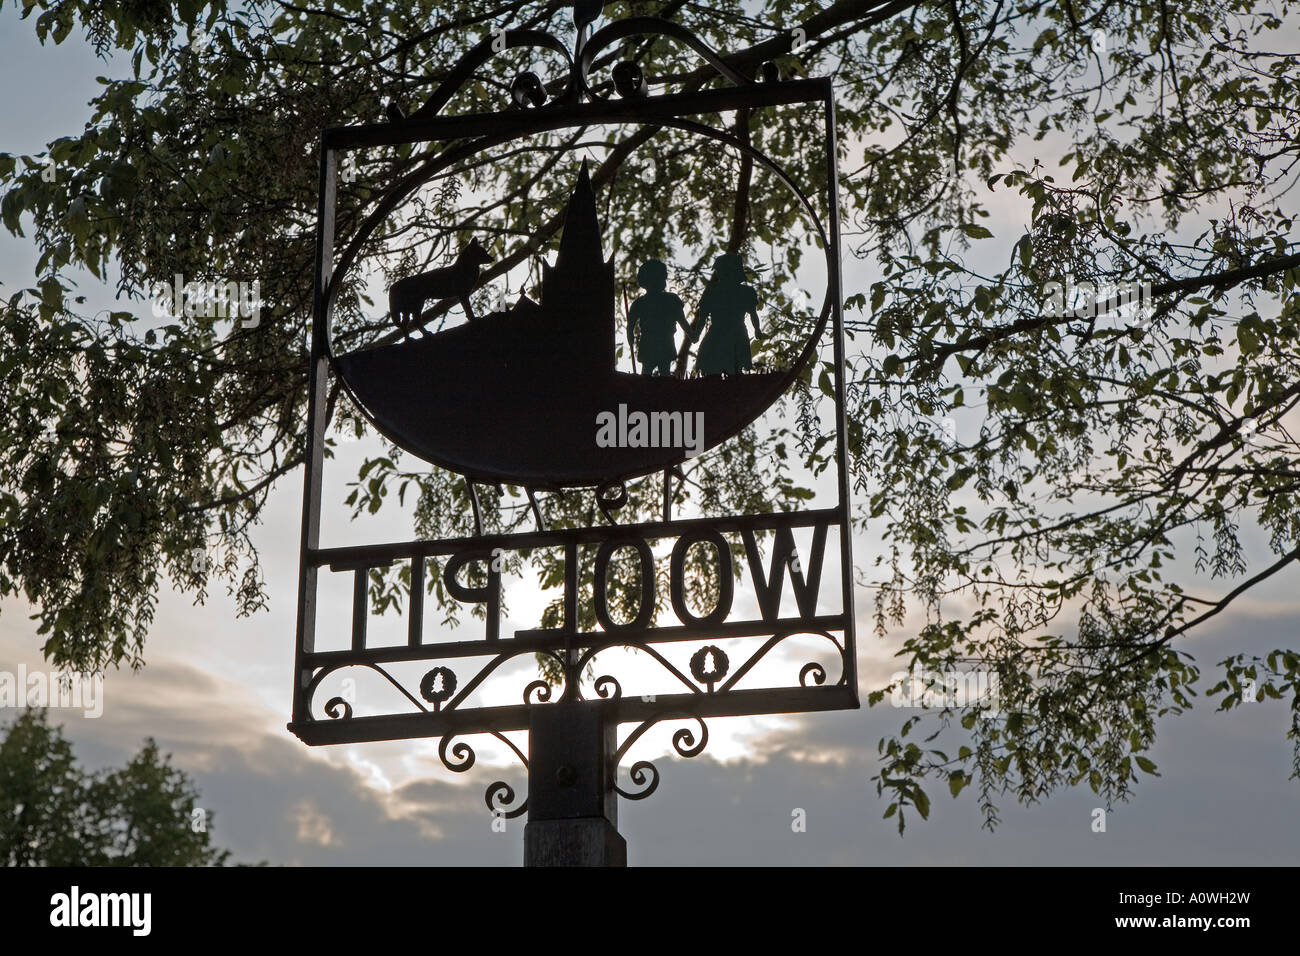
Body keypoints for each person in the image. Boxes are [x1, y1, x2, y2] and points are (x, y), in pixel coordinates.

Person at [692, 253, 760, 376]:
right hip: (718, 331)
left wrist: (757, 329)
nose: (719, 274)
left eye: (722, 271)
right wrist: (696, 334)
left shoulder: (745, 292)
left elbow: (753, 313)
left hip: (736, 332)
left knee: (735, 368)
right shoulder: (712, 292)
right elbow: (703, 317)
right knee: (711, 369)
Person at [627, 259, 693, 376]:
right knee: (648, 370)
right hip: (651, 341)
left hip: (663, 341)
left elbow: (682, 320)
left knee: (662, 370)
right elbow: (631, 323)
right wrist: (630, 335)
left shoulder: (671, 300)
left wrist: (691, 334)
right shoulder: (640, 303)